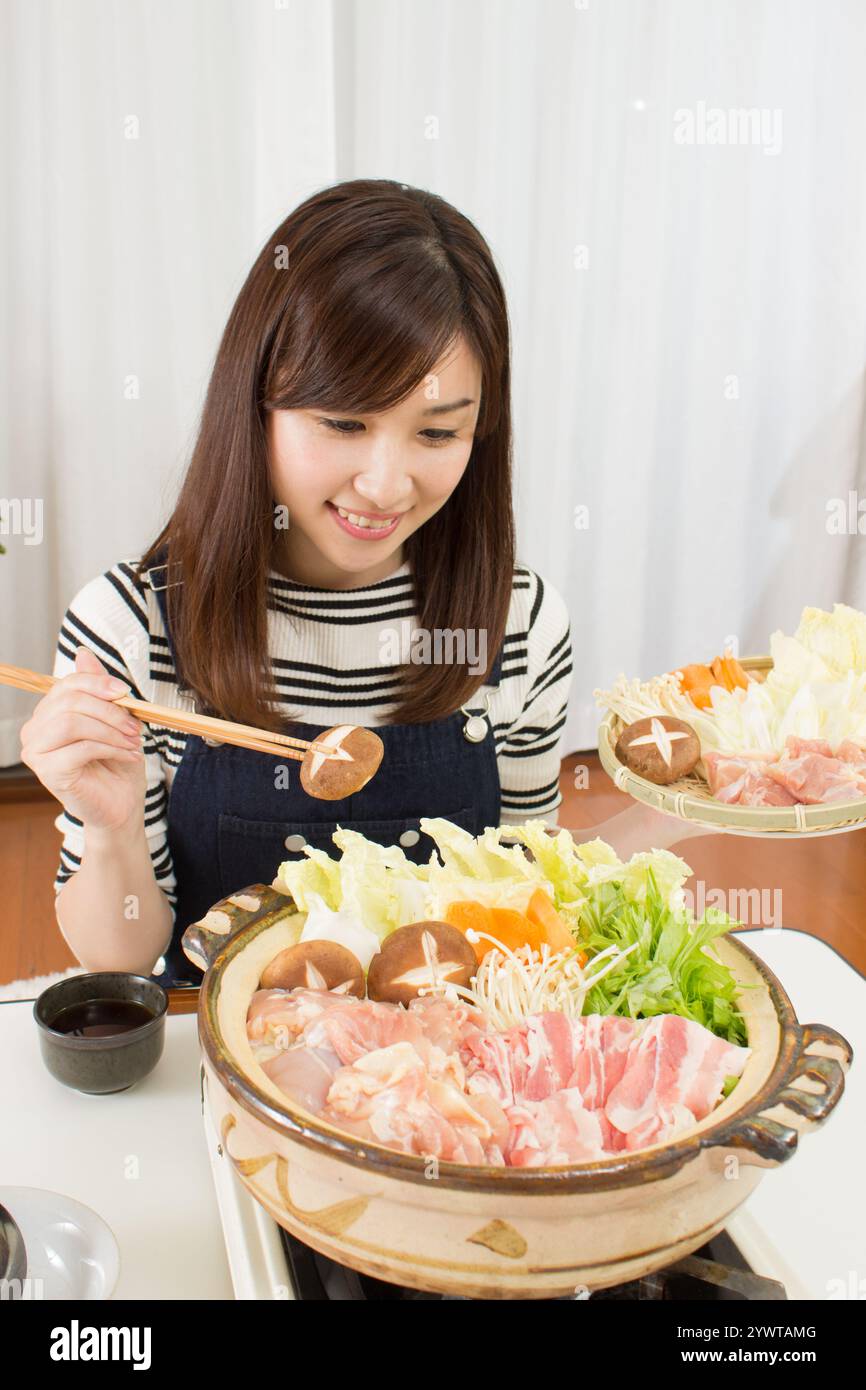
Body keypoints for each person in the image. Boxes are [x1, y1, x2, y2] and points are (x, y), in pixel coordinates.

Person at [20, 178, 573, 987]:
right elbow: (124, 957)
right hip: (226, 1070)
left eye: (437, 431)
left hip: (447, 1085)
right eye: (343, 423)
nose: (385, 485)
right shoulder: (131, 628)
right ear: (257, 404)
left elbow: (531, 908)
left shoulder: (521, 622)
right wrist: (107, 830)